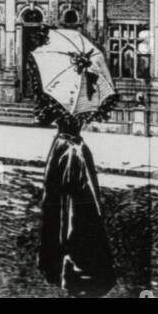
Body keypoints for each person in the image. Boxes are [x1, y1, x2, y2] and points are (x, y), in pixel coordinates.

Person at [36, 95, 116, 298]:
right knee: (76, 234)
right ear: (77, 121)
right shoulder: (76, 150)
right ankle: (76, 275)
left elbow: (50, 192)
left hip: (60, 215)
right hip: (77, 220)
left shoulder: (59, 144)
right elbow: (88, 195)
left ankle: (58, 266)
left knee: (60, 226)